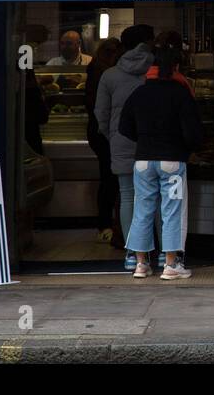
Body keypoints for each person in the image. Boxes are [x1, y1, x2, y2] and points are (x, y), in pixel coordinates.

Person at [120, 41, 203, 280]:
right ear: (176, 65)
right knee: (172, 211)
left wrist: (144, 139)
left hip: (143, 161)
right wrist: (188, 147)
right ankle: (171, 264)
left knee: (142, 210)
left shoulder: (139, 92)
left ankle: (140, 264)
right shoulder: (180, 92)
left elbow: (123, 126)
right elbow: (192, 132)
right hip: (172, 161)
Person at [96, 24, 156, 270]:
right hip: (152, 140)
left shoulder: (110, 75)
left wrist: (112, 135)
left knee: (128, 195)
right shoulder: (155, 71)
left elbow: (101, 113)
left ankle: (132, 253)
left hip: (121, 140)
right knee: (155, 196)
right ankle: (160, 252)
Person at [85, 39, 122, 245]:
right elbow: (97, 107)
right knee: (110, 179)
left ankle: (106, 224)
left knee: (109, 178)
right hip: (103, 133)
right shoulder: (103, 73)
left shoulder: (98, 70)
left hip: (100, 132)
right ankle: (106, 224)